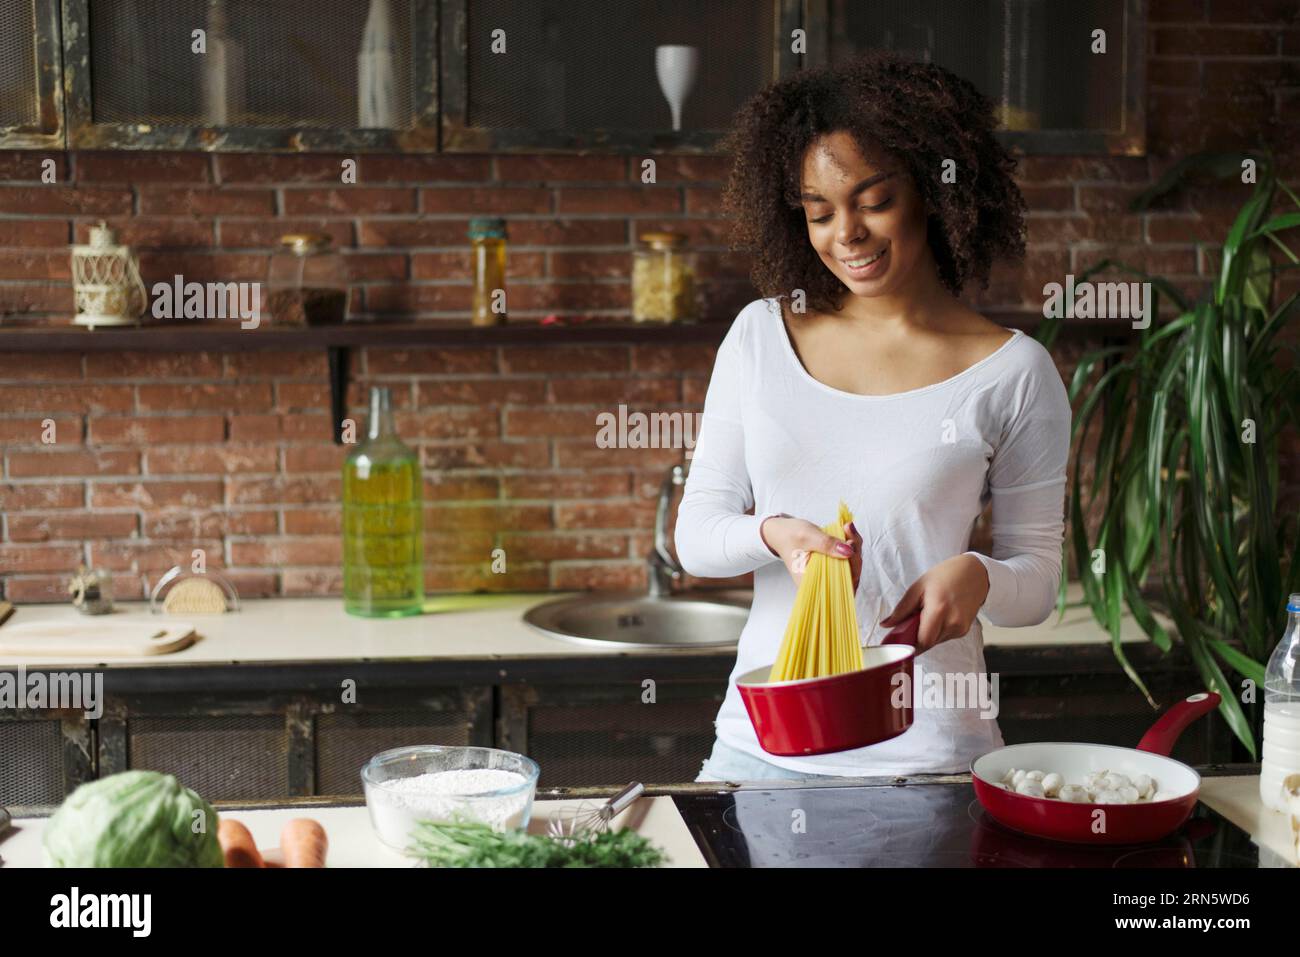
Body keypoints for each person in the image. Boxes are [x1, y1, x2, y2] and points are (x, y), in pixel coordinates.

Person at [675, 52, 1072, 782]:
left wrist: (980, 575)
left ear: (933, 190)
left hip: (928, 761)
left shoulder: (1015, 373)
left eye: (874, 200)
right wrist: (780, 535)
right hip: (761, 750)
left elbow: (1038, 583)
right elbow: (696, 537)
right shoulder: (762, 336)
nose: (845, 234)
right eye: (819, 212)